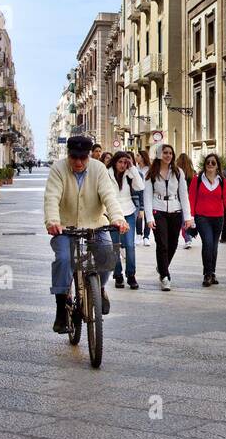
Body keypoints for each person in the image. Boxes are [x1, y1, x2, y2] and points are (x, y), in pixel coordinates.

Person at [44, 135, 128, 333]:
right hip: (65, 226)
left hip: (96, 225)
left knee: (108, 254)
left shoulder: (98, 169)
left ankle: (98, 289)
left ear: (89, 156)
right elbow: (51, 197)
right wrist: (52, 222)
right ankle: (61, 308)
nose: (79, 162)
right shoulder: (58, 169)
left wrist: (117, 218)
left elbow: (109, 195)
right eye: (75, 158)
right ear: (68, 155)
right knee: (64, 259)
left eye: (83, 158)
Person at [143, 144, 193, 291]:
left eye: (171, 153)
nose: (168, 156)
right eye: (165, 153)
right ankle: (165, 276)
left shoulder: (178, 172)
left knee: (173, 244)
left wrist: (188, 217)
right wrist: (149, 218)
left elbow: (184, 195)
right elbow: (147, 197)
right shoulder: (151, 174)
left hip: (175, 210)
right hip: (158, 210)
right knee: (162, 244)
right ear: (159, 154)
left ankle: (162, 266)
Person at [189, 153, 226, 287]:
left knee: (214, 246)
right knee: (208, 243)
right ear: (204, 164)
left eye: (213, 163)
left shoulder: (222, 181)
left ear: (217, 166)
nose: (210, 164)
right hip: (202, 217)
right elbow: (191, 198)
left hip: (218, 218)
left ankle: (212, 272)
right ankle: (207, 274)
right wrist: (191, 217)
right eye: (208, 162)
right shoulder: (197, 179)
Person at [108, 151, 143, 290]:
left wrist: (132, 167)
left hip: (128, 211)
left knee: (129, 245)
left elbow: (140, 187)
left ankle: (131, 275)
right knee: (115, 245)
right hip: (111, 213)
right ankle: (118, 275)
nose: (122, 165)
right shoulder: (106, 173)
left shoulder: (130, 174)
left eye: (125, 162)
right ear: (115, 162)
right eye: (120, 162)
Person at [176, 153, 197, 249]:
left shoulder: (177, 172)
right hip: (191, 198)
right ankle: (190, 236)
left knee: (183, 220)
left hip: (179, 199)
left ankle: (187, 239)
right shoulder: (193, 172)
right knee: (188, 218)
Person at [131, 150, 149, 245]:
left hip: (148, 193)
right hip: (138, 194)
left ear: (142, 157)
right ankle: (139, 235)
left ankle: (146, 236)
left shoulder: (149, 169)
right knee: (139, 215)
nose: (136, 157)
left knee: (147, 215)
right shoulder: (135, 169)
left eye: (138, 155)